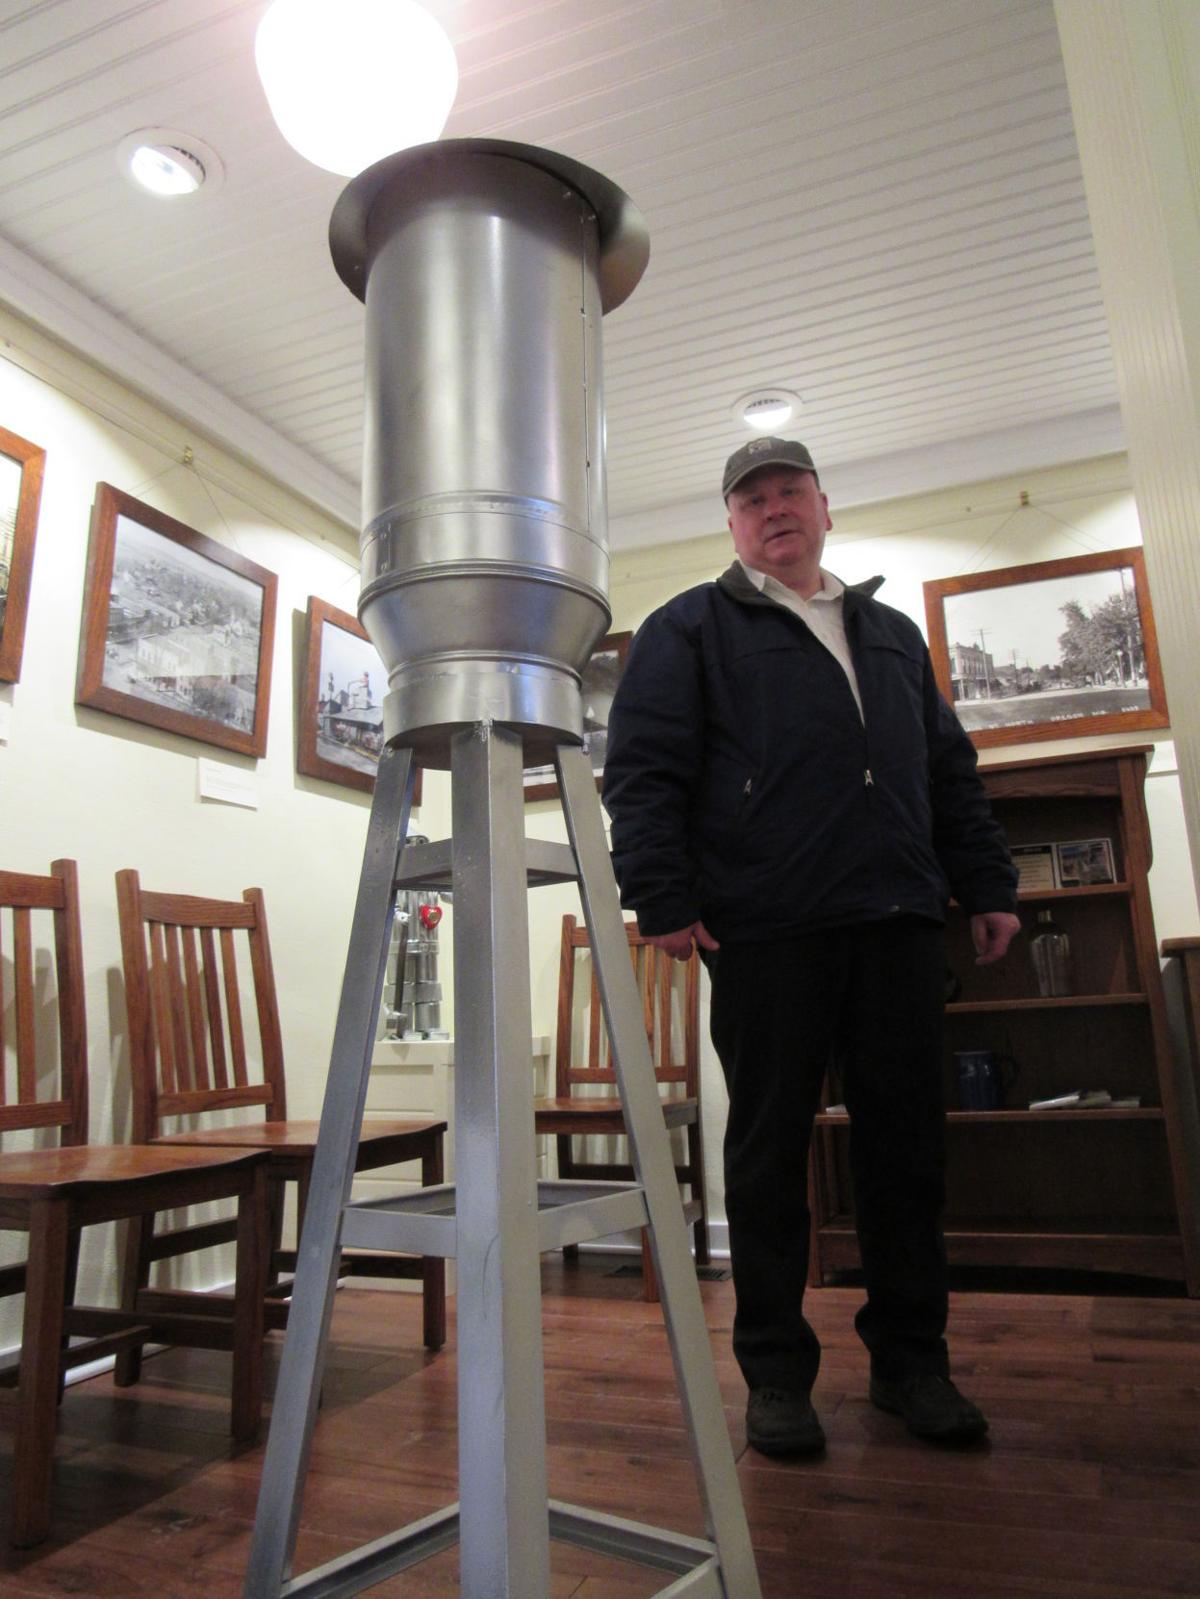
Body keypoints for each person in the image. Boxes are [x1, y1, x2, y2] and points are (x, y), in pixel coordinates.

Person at [601, 436, 1021, 1457]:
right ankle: (777, 1375)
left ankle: (913, 1366)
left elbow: (948, 771)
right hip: (766, 927)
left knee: (905, 1157)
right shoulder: (687, 628)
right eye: (753, 498)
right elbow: (641, 769)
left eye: (791, 491)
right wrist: (659, 893)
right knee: (767, 1154)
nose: (774, 508)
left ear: (825, 507)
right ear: (733, 524)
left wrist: (989, 883)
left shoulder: (887, 632)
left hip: (898, 924)